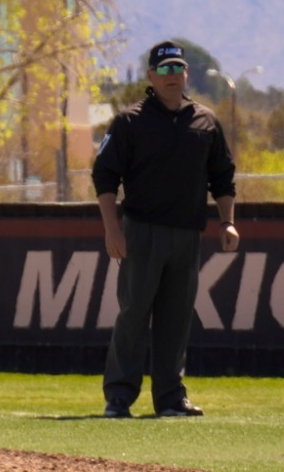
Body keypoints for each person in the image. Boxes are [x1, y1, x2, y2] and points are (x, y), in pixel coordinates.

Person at [93, 40, 239, 419]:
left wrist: (228, 222)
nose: (172, 76)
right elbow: (104, 176)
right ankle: (119, 397)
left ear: (186, 74)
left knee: (176, 319)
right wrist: (113, 230)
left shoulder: (205, 121)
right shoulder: (131, 121)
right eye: (165, 70)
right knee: (134, 313)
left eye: (178, 69)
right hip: (142, 231)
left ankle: (171, 398)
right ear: (151, 76)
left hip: (187, 234)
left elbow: (222, 177)